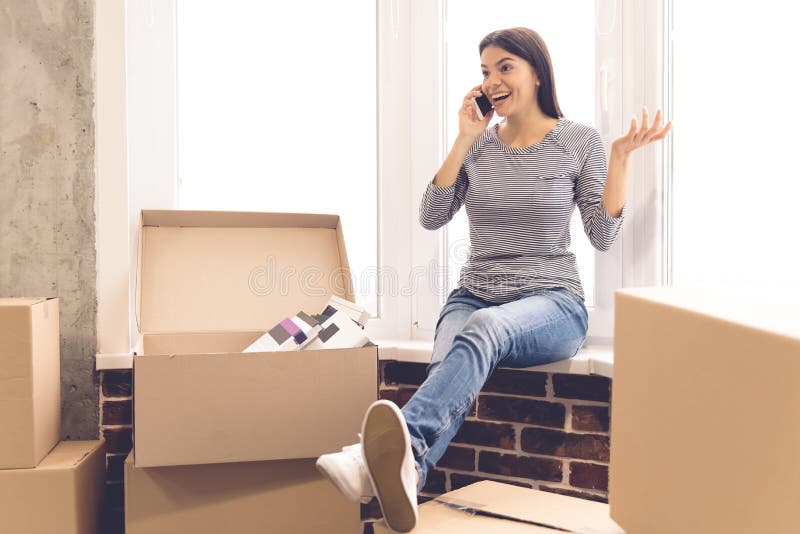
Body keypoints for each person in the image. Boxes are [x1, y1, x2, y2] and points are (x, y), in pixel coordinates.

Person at [316, 27, 671, 532]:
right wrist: (464, 137)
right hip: (474, 292)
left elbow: (602, 234)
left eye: (505, 67)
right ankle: (409, 472)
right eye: (485, 71)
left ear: (536, 72)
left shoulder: (578, 140)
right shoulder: (479, 147)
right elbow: (432, 215)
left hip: (552, 302)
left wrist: (619, 159)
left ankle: (371, 463)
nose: (493, 80)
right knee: (448, 363)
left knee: (481, 327)